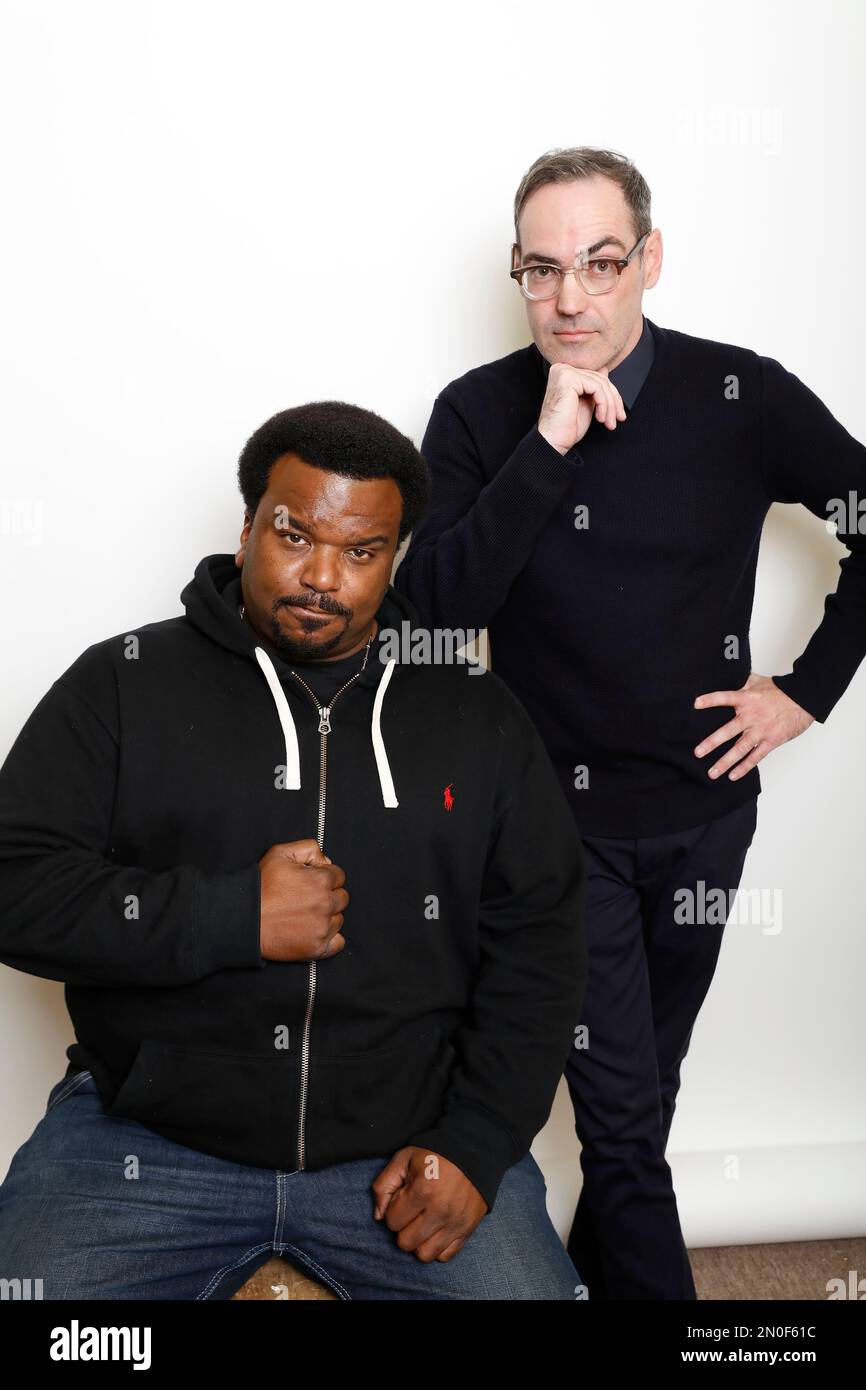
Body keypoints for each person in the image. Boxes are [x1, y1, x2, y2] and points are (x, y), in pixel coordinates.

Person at [393, 146, 866, 1299]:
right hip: (551, 828)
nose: (570, 299)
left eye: (599, 264)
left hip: (706, 816)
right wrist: (547, 446)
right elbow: (432, 611)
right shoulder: (478, 410)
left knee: (641, 1100)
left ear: (646, 260)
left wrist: (804, 691)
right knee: (615, 1125)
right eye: (542, 270)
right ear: (517, 274)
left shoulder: (738, 396)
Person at [0, 401, 588, 1301]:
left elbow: (541, 946)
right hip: (148, 1137)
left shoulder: (477, 715)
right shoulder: (121, 683)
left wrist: (474, 1142)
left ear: (395, 558)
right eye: (294, 535)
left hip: (405, 1145)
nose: (322, 576)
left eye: (361, 552)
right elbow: (16, 886)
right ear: (245, 530)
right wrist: (235, 916)